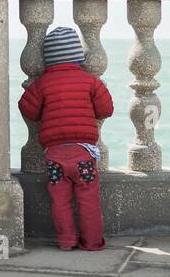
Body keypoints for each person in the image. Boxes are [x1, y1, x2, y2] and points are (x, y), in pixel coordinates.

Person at [17, 26, 114, 251]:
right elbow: (106, 110)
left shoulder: (42, 84)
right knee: (88, 200)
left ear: (49, 59)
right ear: (78, 57)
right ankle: (92, 242)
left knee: (59, 202)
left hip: (55, 156)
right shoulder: (90, 82)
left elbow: (27, 109)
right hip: (83, 154)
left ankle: (66, 242)